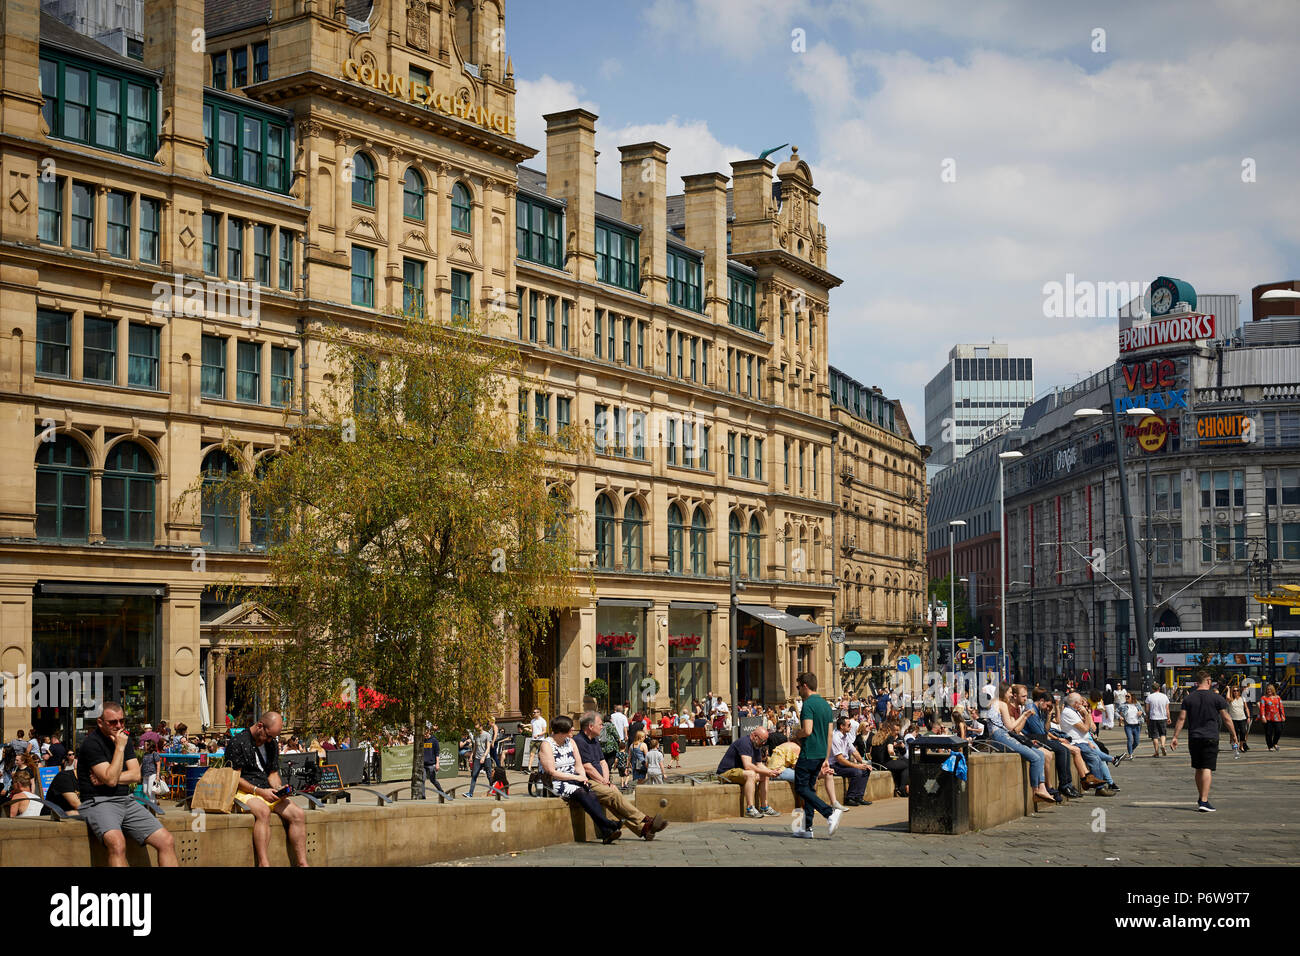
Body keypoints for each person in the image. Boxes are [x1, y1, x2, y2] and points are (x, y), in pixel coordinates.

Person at [76, 701, 178, 866]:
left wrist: (109, 777)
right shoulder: (92, 744)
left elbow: (136, 775)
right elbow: (110, 779)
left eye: (122, 721)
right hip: (98, 802)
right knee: (117, 844)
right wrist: (119, 749)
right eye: (113, 722)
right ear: (100, 722)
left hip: (125, 800)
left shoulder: (125, 739)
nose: (118, 725)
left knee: (166, 840)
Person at [225, 711, 309, 866]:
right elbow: (234, 778)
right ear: (260, 726)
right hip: (244, 791)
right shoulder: (238, 742)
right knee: (263, 812)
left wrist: (278, 788)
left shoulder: (270, 744)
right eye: (269, 736)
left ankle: (302, 863)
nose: (270, 740)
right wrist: (259, 791)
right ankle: (264, 863)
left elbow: (273, 774)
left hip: (265, 790)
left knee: (298, 814)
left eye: (274, 737)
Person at [538, 716, 623, 844]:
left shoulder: (570, 742)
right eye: (570, 728)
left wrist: (582, 777)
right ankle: (608, 824)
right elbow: (552, 771)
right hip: (556, 782)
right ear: (562, 730)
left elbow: (578, 764)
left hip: (574, 778)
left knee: (590, 793)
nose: (573, 729)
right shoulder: (546, 744)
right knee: (582, 793)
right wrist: (576, 777)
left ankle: (606, 830)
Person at [1170, 671, 1239, 812]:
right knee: (1207, 768)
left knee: (1198, 768)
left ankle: (1201, 797)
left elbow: (1181, 719)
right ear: (1208, 681)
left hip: (1194, 737)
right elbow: (1226, 718)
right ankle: (1204, 801)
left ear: (1197, 682)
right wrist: (1234, 735)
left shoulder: (1189, 699)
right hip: (1210, 737)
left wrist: (1175, 737)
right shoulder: (1217, 698)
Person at [792, 671, 842, 838]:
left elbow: (807, 730)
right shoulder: (826, 705)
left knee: (801, 787)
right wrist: (826, 758)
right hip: (821, 753)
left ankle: (829, 813)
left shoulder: (808, 704)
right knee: (809, 789)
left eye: (798, 687)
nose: (798, 690)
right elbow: (829, 735)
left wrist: (795, 734)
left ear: (805, 686)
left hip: (809, 752)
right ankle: (806, 828)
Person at [987, 684, 1055, 806]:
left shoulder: (994, 704)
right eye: (1009, 692)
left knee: (1039, 753)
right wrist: (1024, 716)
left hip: (1000, 736)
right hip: (1001, 736)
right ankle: (1036, 791)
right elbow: (1011, 727)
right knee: (1035, 757)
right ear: (1003, 692)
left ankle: (1042, 789)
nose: (1010, 695)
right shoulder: (1001, 704)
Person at [717, 725, 780, 818]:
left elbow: (759, 764)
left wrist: (771, 771)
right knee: (751, 774)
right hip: (726, 772)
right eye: (762, 740)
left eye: (765, 741)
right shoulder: (744, 742)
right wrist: (767, 772)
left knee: (764, 776)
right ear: (755, 736)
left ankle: (764, 807)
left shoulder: (756, 745)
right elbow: (748, 765)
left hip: (740, 772)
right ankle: (750, 809)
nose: (763, 743)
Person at [829, 716, 871, 806]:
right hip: (835, 765)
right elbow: (839, 759)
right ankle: (850, 797)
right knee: (857, 772)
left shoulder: (845, 736)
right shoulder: (835, 737)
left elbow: (854, 751)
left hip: (842, 763)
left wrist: (863, 763)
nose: (851, 726)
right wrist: (857, 766)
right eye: (849, 725)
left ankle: (858, 797)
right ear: (841, 726)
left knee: (866, 769)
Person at [870, 721, 910, 797]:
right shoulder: (889, 737)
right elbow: (890, 750)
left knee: (901, 764)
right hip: (885, 763)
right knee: (907, 765)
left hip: (875, 764)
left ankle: (898, 786)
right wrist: (893, 754)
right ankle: (902, 788)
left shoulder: (875, 737)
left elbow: (871, 751)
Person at [466, 722, 493, 797]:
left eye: (477, 727)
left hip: (486, 758)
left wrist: (484, 756)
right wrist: (471, 755)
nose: (476, 729)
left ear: (481, 727)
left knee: (489, 775)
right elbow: (475, 746)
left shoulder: (487, 735)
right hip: (477, 758)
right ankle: (470, 793)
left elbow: (488, 748)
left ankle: (493, 790)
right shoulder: (476, 735)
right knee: (474, 775)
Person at [1146, 684, 1171, 757]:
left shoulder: (1149, 697)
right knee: (1163, 733)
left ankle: (1156, 752)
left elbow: (1147, 709)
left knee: (1154, 736)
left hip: (1153, 718)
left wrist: (1147, 716)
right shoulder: (1164, 696)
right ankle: (1163, 745)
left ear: (1152, 689)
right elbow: (1167, 709)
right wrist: (1168, 718)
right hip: (1163, 717)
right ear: (1159, 688)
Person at [421, 730, 447, 796]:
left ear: (429, 732)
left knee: (433, 780)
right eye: (424, 733)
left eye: (426, 733)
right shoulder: (421, 740)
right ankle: (423, 796)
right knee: (422, 780)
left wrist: (437, 763)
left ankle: (441, 791)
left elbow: (437, 753)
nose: (425, 735)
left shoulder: (434, 740)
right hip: (423, 764)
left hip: (431, 764)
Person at [1260, 684, 1285, 751]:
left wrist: (1283, 716)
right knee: (1268, 733)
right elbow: (1262, 708)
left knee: (1279, 730)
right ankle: (1270, 746)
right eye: (1268, 689)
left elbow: (1281, 707)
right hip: (1268, 718)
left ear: (1273, 690)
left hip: (1277, 717)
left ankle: (1275, 743)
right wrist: (1263, 716)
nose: (1269, 691)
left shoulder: (1278, 697)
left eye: (1270, 689)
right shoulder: (1263, 698)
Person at [1226, 686, 1250, 753]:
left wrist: (1248, 716)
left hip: (1242, 718)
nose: (1236, 692)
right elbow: (1227, 698)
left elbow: (1246, 708)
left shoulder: (1242, 698)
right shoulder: (1231, 699)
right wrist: (1228, 689)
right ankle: (1235, 745)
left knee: (1243, 732)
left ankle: (1241, 746)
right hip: (1233, 719)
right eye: (1234, 691)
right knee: (1235, 733)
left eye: (1237, 690)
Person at [1121, 694, 1144, 759]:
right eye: (1126, 696)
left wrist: (1141, 712)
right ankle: (1130, 754)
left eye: (1128, 696)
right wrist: (1119, 717)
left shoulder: (1137, 704)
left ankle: (1131, 750)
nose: (1126, 697)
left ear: (1132, 697)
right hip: (1128, 725)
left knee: (1137, 742)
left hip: (1137, 725)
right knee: (1130, 739)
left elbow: (1143, 712)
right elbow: (1116, 711)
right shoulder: (1123, 705)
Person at [526, 708, 548, 773]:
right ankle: (529, 768)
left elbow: (544, 731)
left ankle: (541, 768)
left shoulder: (542, 721)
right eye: (533, 712)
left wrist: (538, 735)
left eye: (535, 712)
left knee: (540, 755)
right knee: (531, 754)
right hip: (533, 740)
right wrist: (527, 730)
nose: (533, 713)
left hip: (540, 740)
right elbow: (532, 730)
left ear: (539, 713)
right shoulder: (532, 721)